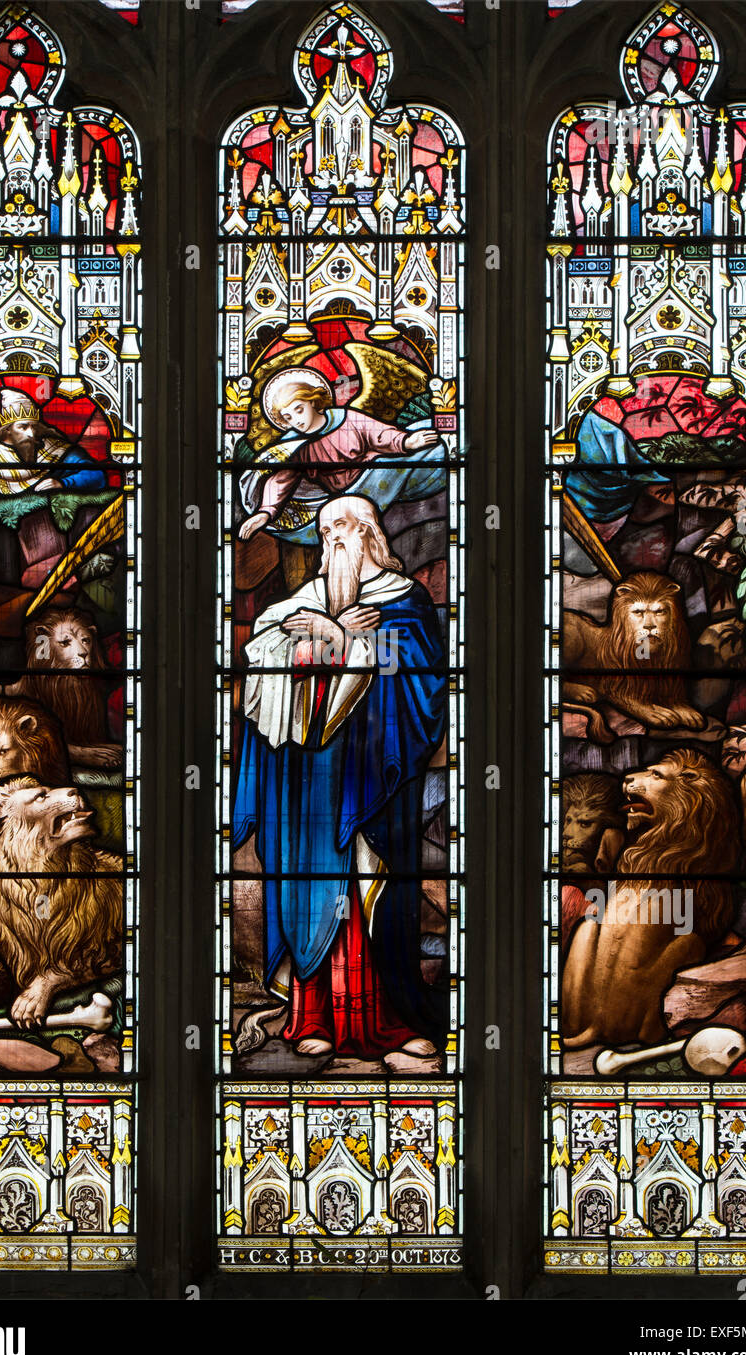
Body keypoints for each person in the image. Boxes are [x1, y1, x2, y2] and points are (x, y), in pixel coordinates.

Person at [233, 494, 447, 1064]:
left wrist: (340, 639)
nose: (331, 542)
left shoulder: (404, 601)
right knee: (311, 890)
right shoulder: (301, 603)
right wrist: (324, 634)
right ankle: (310, 1018)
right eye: (325, 533)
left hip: (370, 775)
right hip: (305, 781)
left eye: (343, 530)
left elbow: (417, 684)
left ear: (370, 533)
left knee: (366, 893)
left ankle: (387, 1021)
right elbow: (263, 671)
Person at [238, 368, 445, 544]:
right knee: (391, 462)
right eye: (288, 417)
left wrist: (406, 442)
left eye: (299, 410)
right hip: (348, 494)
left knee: (424, 433)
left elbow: (379, 435)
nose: (296, 421)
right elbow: (280, 481)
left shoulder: (346, 419)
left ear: (313, 402)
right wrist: (265, 512)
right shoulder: (295, 445)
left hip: (371, 474)